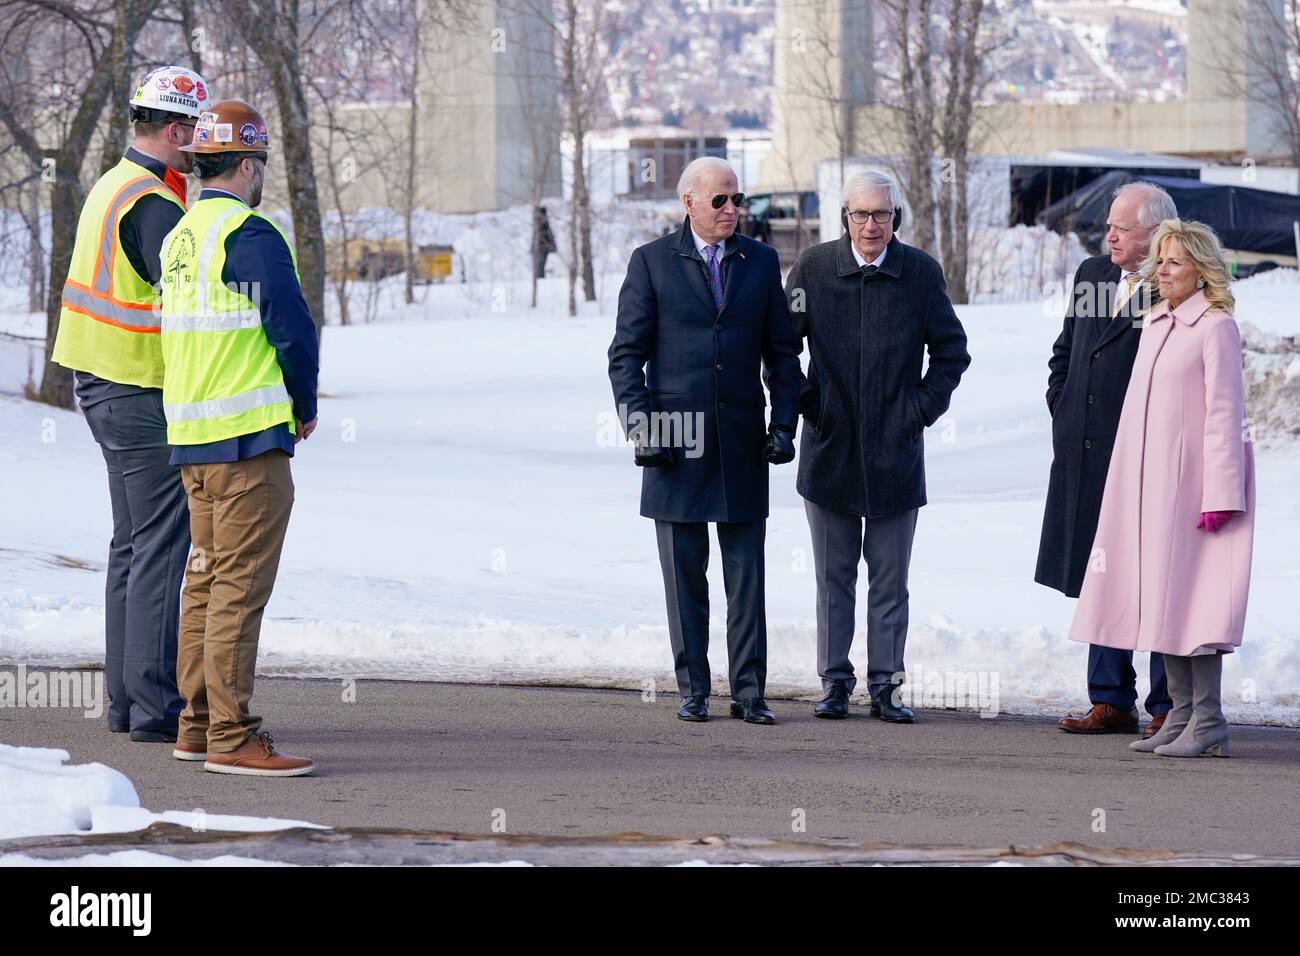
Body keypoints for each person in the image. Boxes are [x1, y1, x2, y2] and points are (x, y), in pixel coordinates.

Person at [607, 156, 802, 725]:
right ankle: (693, 688)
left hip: (742, 441)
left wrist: (784, 424)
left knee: (747, 579)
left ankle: (750, 693)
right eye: (719, 200)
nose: (731, 210)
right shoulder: (651, 263)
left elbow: (783, 355)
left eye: (736, 199)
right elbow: (626, 356)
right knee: (685, 576)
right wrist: (642, 427)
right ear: (688, 202)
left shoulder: (762, 262)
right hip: (673, 441)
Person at [50, 65, 212, 743]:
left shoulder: (114, 185)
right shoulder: (154, 206)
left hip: (102, 384)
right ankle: (153, 709)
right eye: (198, 137)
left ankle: (125, 703)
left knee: (132, 545)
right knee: (159, 550)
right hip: (138, 391)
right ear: (175, 130)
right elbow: (184, 303)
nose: (203, 150)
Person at [159, 100, 319, 776]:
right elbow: (292, 328)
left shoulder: (182, 236)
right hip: (247, 443)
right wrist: (303, 405)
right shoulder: (248, 234)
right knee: (237, 590)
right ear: (250, 165)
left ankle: (195, 726)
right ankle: (231, 735)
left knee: (204, 583)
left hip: (194, 442)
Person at [785, 171, 970, 722]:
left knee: (890, 579)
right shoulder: (814, 269)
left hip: (895, 454)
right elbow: (780, 349)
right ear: (845, 218)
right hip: (829, 450)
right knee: (832, 578)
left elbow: (952, 353)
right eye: (861, 215)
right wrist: (810, 407)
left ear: (896, 219)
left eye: (882, 215)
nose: (871, 226)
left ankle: (887, 684)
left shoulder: (919, 273)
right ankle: (835, 682)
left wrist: (918, 411)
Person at [1068, 219, 1254, 758]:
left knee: (1198, 604)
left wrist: (1221, 493)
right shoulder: (1156, 321)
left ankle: (1209, 719)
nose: (1162, 271)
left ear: (1201, 270)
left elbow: (1225, 415)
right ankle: (1180, 714)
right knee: (1163, 602)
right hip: (1149, 489)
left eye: (1174, 262)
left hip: (1196, 490)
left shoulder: (1215, 326)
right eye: (1160, 262)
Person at [1037, 181, 1179, 737]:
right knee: (1100, 573)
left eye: (1123, 227)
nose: (1110, 236)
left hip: (1143, 458)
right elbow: (1066, 350)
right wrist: (1064, 404)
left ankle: (1168, 703)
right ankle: (1111, 698)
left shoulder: (1173, 285)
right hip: (1085, 453)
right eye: (1108, 226)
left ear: (1157, 234)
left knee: (1152, 576)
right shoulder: (1093, 275)